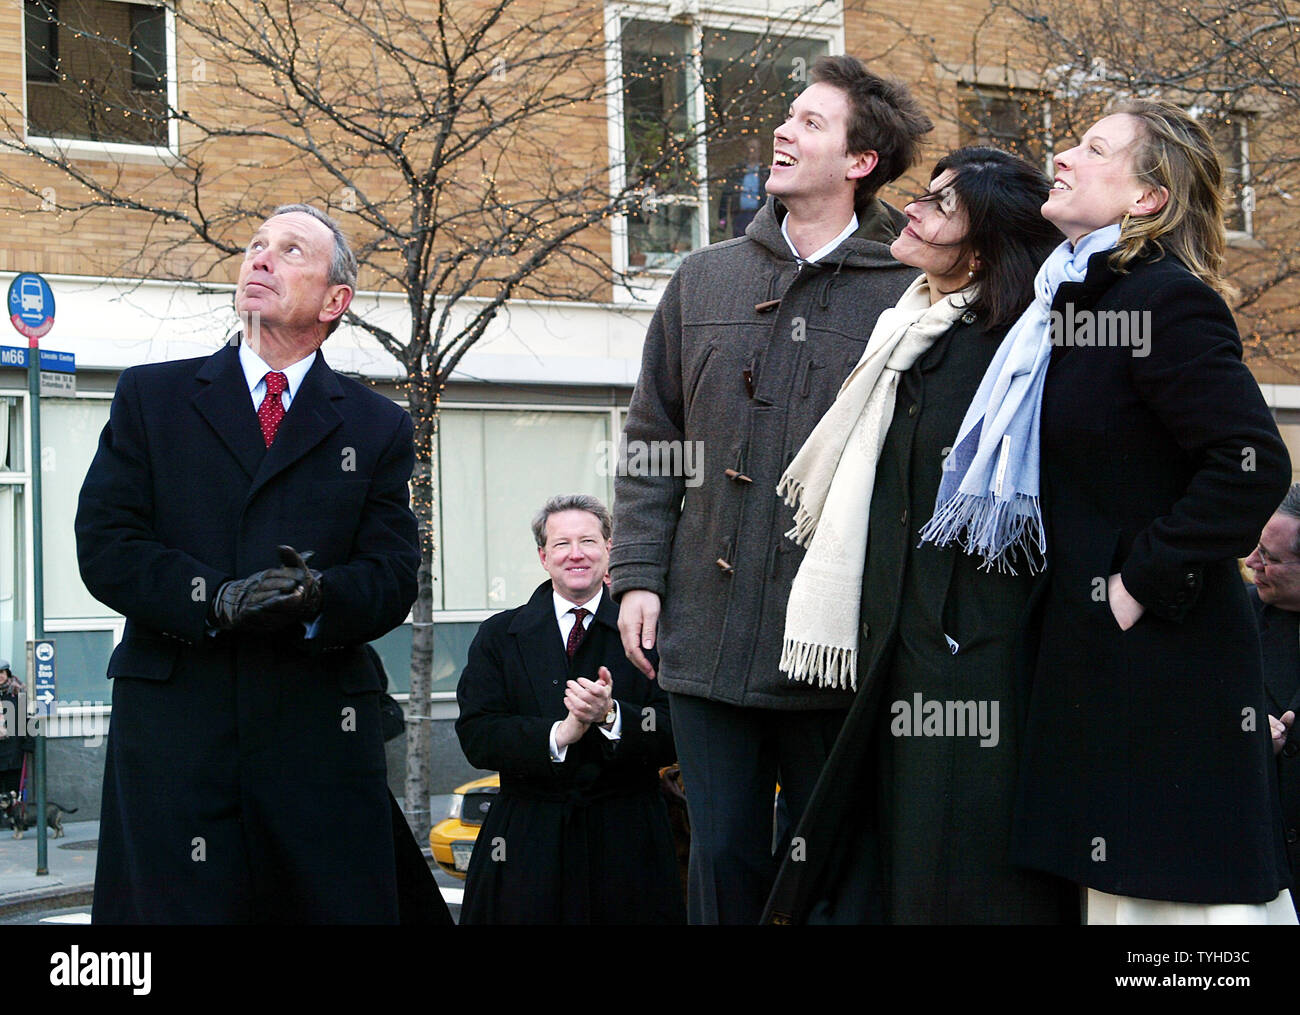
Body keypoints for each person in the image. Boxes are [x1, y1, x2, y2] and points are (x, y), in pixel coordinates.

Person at [612, 54, 933, 924]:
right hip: (704, 640)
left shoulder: (913, 292)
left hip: (835, 646)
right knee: (720, 859)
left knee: (833, 867)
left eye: (811, 123)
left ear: (860, 163)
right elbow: (653, 437)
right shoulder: (703, 277)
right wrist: (638, 571)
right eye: (788, 117)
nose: (783, 133)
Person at [76, 204, 447, 924]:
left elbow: (393, 572)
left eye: (290, 250)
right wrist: (212, 598)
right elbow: (107, 545)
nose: (261, 258)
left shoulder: (377, 426)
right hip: (177, 733)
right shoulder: (152, 397)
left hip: (314, 735)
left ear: (335, 301)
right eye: (254, 246)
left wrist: (317, 598)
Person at [763, 148, 1075, 924]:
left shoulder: (1013, 352)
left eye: (940, 205)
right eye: (923, 194)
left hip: (973, 663)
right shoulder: (902, 328)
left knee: (961, 873)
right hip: (886, 651)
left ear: (978, 252)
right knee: (889, 866)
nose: (913, 208)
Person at [1000, 101, 1295, 921]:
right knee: (1122, 904)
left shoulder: (1165, 300)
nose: (1061, 155)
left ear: (1148, 199)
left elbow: (1251, 463)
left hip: (1162, 664)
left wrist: (1138, 581)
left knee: (1180, 913)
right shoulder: (1064, 303)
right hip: (1097, 665)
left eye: (1093, 148)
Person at [456, 494, 683, 924]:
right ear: (543, 557)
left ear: (610, 549)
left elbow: (679, 731)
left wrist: (612, 716)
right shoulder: (499, 636)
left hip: (629, 843)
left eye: (588, 541)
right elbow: (477, 735)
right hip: (525, 845)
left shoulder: (654, 632)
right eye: (561, 544)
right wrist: (557, 735)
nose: (575, 554)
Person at [1244, 484, 1300, 918]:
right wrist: (1243, 733)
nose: (1251, 564)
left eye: (1271, 558)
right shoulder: (1236, 621)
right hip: (1269, 875)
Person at [0, 662, 31, 800]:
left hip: (13, 750)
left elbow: (28, 718)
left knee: (13, 793)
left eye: (2, 672)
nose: (0, 676)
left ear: (7, 674)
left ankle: (14, 820)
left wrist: (29, 742)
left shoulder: (19, 693)